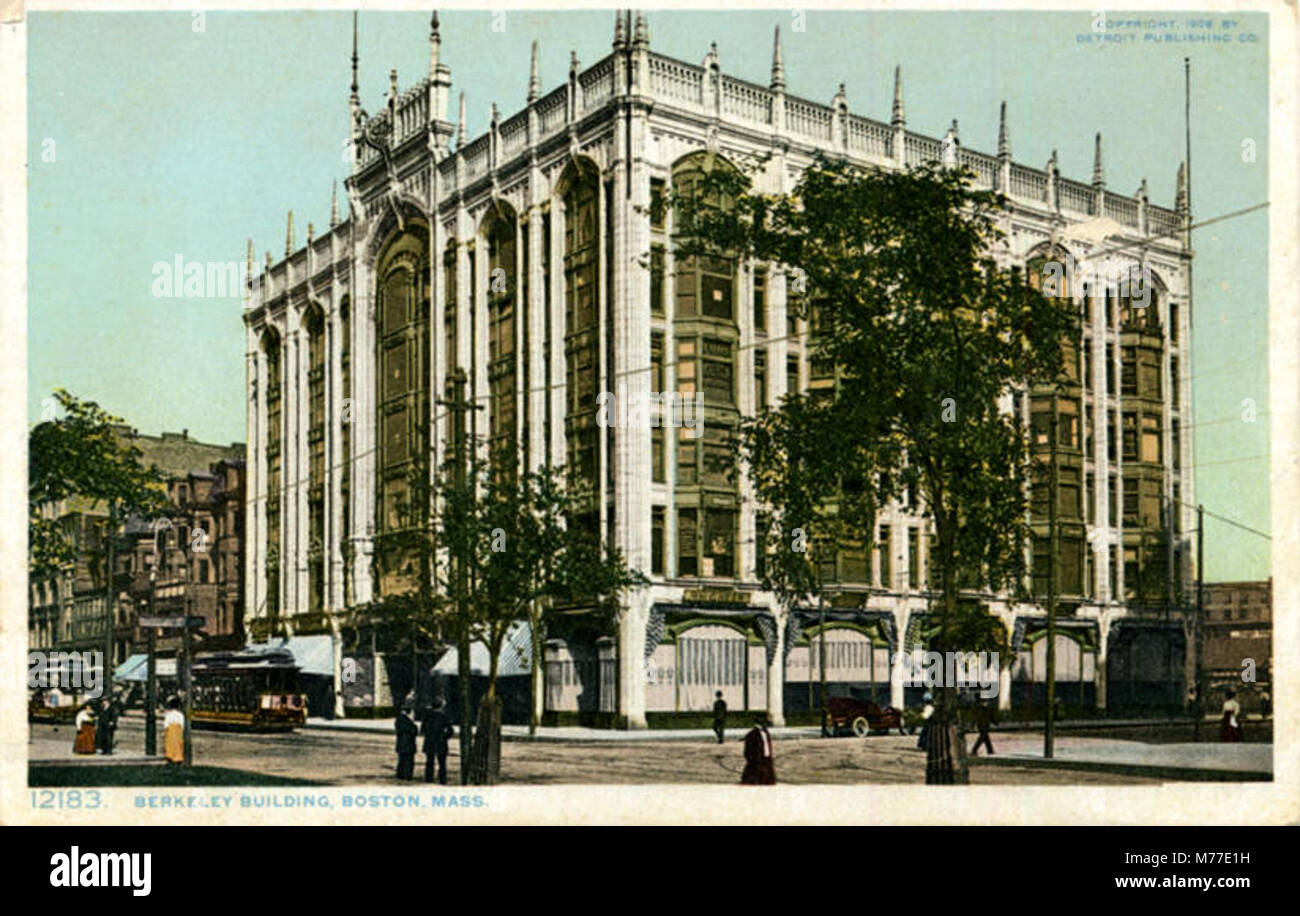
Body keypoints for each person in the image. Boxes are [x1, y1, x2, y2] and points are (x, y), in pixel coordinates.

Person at [421, 698, 455, 785]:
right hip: (441, 742)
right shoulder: (444, 717)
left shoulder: (427, 717)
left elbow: (422, 730)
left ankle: (429, 778)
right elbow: (450, 731)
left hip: (430, 742)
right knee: (442, 763)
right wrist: (444, 737)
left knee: (429, 762)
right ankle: (442, 779)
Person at [740, 712, 776, 785]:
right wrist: (751, 758)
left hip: (765, 756)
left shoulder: (765, 732)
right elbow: (748, 749)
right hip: (757, 759)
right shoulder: (752, 734)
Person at [395, 705, 418, 780]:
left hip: (401, 743)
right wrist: (413, 723)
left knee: (401, 759)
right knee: (409, 760)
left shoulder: (399, 719)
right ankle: (407, 775)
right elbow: (413, 730)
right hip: (408, 743)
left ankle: (400, 774)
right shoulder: (407, 720)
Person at [163, 698, 185, 764]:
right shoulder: (180, 715)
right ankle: (178, 757)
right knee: (178, 745)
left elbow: (166, 724)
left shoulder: (168, 714)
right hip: (178, 730)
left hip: (170, 730)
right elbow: (182, 724)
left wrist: (165, 732)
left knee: (170, 744)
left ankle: (170, 756)